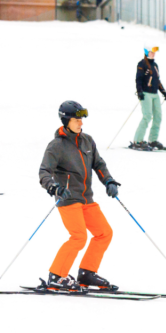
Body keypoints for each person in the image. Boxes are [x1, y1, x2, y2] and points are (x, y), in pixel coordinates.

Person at [38, 101, 122, 291]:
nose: (80, 123)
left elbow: (98, 164)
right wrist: (54, 187)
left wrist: (108, 181)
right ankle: (56, 276)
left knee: (104, 233)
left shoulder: (87, 141)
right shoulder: (56, 146)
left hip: (86, 199)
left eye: (81, 119)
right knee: (78, 237)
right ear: (66, 120)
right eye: (77, 119)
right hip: (68, 199)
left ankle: (87, 273)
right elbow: (44, 172)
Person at [129, 45, 166, 151]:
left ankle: (152, 140)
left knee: (158, 117)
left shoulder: (155, 65)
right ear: (147, 52)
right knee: (147, 116)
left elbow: (157, 80)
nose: (153, 53)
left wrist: (164, 92)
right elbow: (138, 79)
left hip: (155, 94)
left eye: (155, 52)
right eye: (151, 52)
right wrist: (139, 91)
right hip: (146, 93)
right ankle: (138, 141)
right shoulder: (142, 64)